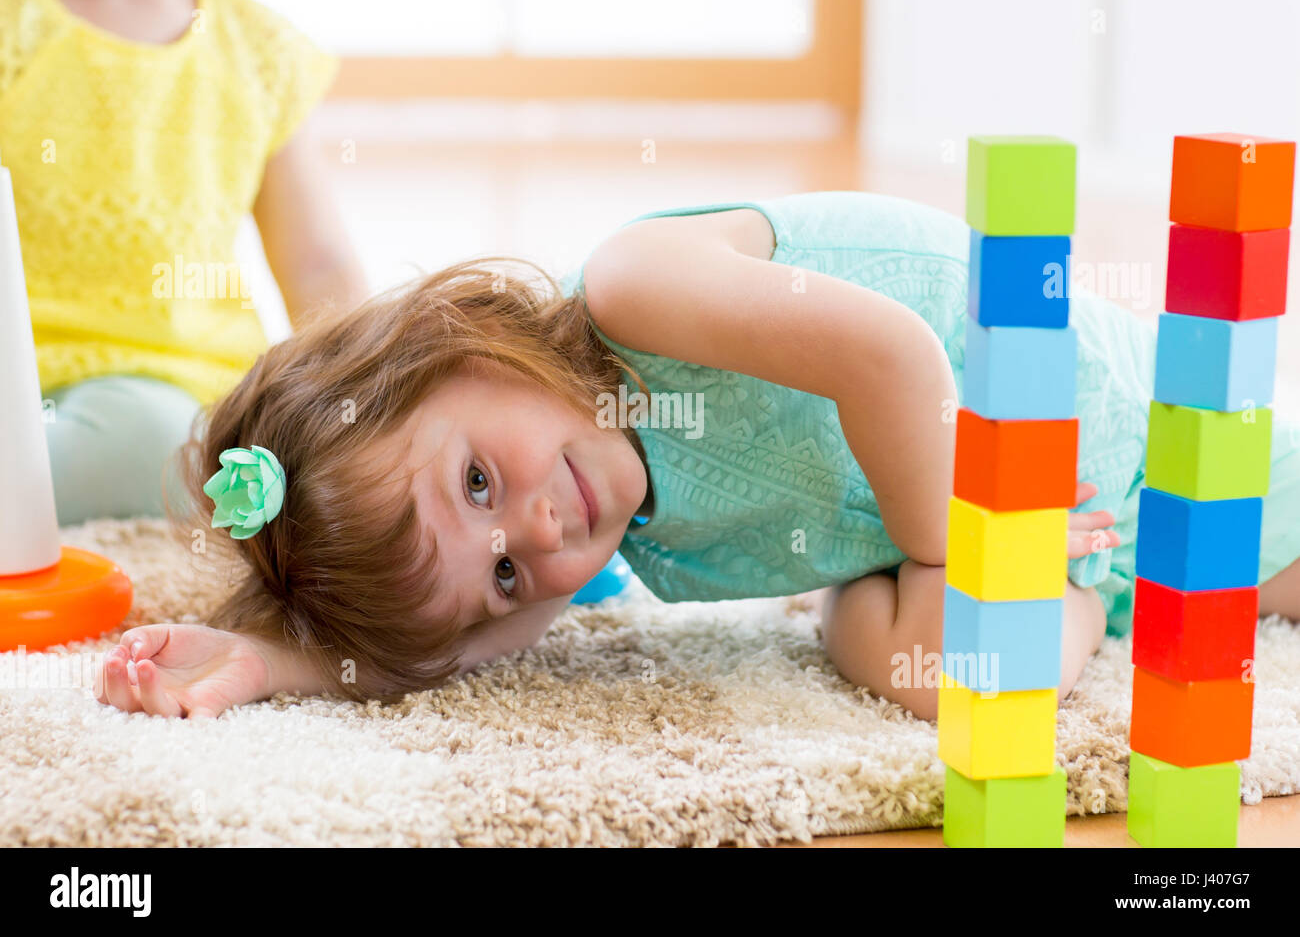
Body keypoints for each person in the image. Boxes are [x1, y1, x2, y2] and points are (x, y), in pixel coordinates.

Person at [94, 191, 1300, 721]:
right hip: (1064, 541)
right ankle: (878, 604)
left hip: (1115, 415)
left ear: (449, 341)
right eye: (506, 573)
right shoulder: (646, 545)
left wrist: (972, 546)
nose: (540, 530)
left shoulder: (634, 289)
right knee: (973, 686)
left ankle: (879, 596)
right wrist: (280, 662)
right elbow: (450, 655)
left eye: (475, 481)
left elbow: (889, 360)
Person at [0, 0, 367, 524]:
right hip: (18, 376)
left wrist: (358, 400)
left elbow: (318, 267)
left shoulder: (257, 50)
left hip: (177, 390)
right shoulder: (13, 22)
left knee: (160, 444)